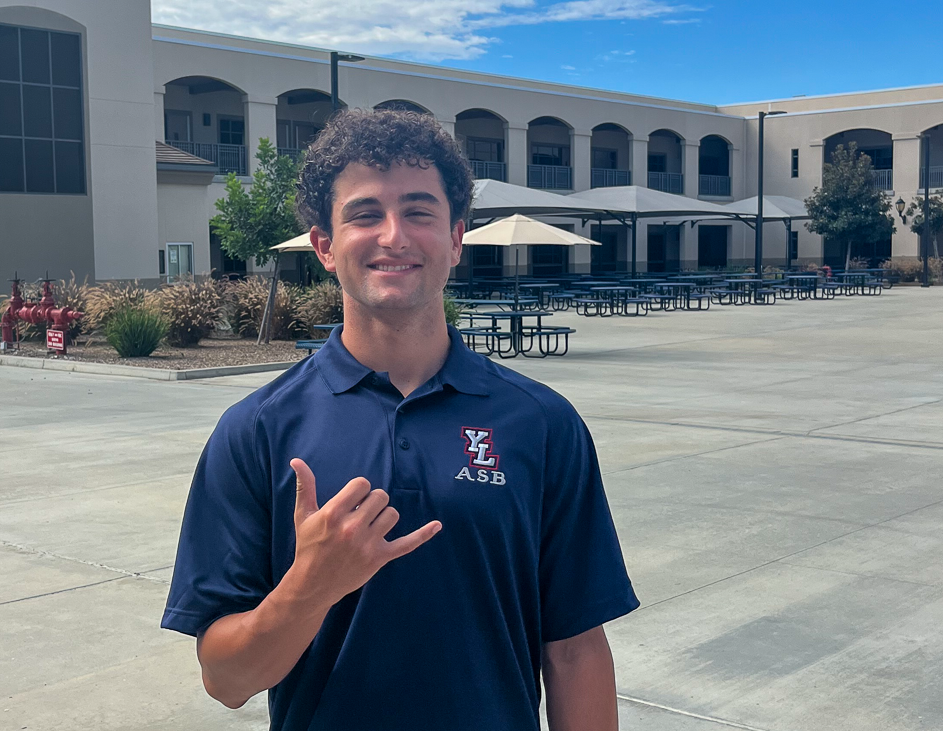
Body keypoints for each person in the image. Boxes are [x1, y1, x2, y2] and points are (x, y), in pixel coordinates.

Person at [162, 109, 638, 731]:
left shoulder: (541, 423)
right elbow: (226, 681)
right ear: (325, 246)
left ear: (456, 237)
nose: (394, 235)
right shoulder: (257, 430)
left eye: (419, 211)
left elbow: (575, 649)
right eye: (364, 214)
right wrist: (311, 586)